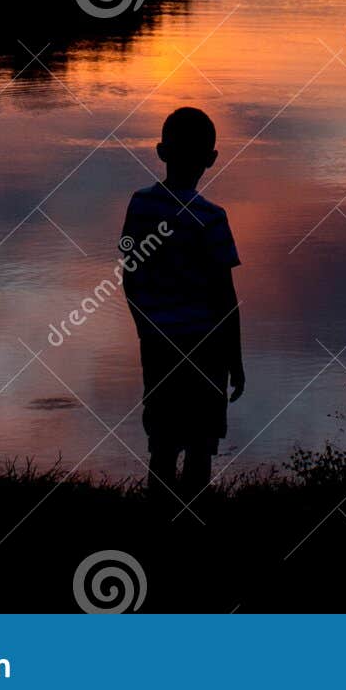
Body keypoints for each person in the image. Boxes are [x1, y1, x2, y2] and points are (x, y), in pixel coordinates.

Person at [120, 106, 244, 505]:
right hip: (206, 347)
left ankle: (159, 510)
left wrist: (144, 325)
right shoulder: (212, 218)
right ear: (211, 159)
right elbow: (226, 298)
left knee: (163, 435)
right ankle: (193, 515)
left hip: (158, 342)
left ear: (160, 151)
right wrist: (236, 359)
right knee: (201, 440)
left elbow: (128, 272)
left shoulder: (139, 206)